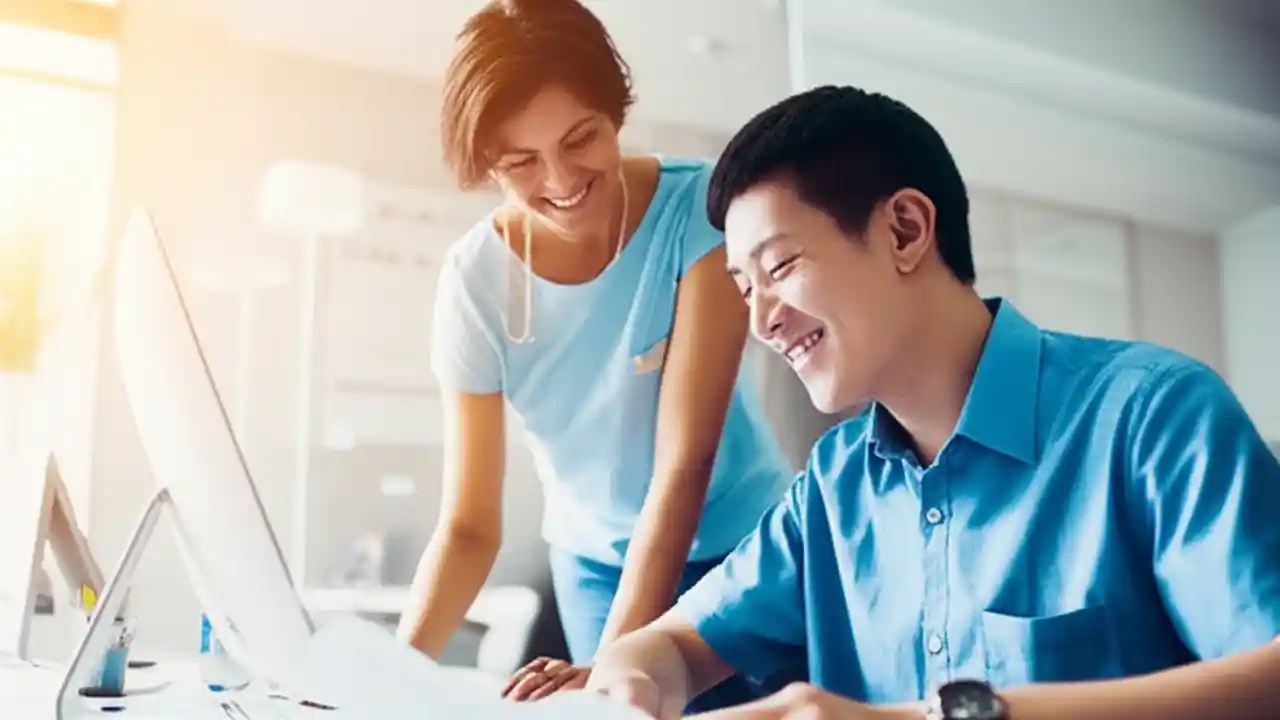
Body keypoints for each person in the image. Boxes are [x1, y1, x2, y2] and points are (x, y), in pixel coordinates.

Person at [586, 85, 1280, 719]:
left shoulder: (1154, 416)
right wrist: (631, 683)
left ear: (905, 230)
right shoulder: (832, 485)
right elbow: (668, 647)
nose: (762, 321)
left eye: (781, 267)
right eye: (745, 288)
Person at [394, 0, 792, 711]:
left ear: (616, 113)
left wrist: (614, 660)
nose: (560, 180)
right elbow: (469, 527)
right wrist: (379, 683)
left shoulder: (700, 208)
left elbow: (685, 461)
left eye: (581, 138)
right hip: (596, 567)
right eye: (521, 161)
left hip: (742, 546)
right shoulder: (476, 282)